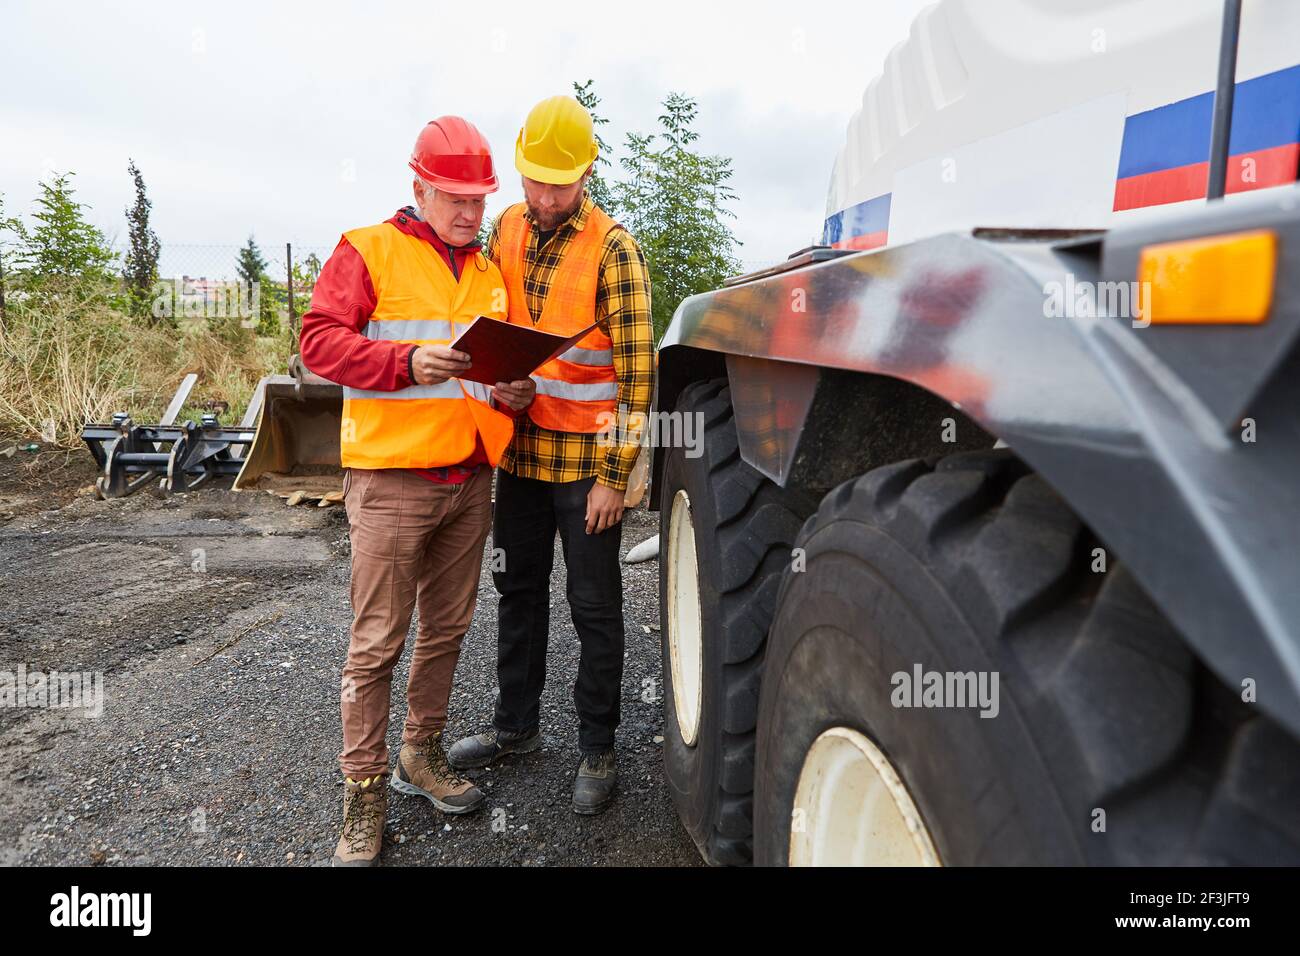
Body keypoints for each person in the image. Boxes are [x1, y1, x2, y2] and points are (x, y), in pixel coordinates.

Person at [299, 116, 536, 866]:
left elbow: (485, 375)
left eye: (480, 199)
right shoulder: (367, 249)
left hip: (468, 480)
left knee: (445, 631)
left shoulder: (488, 271)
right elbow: (317, 342)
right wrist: (404, 362)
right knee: (375, 646)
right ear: (419, 188)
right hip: (392, 481)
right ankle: (363, 795)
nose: (471, 212)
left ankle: (419, 754)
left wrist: (514, 392)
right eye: (455, 197)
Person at [448, 96, 654, 815]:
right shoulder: (504, 226)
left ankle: (598, 745)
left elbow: (638, 378)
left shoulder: (615, 250)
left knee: (595, 607)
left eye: (559, 185)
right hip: (521, 457)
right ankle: (516, 729)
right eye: (533, 180)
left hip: (585, 469)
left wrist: (615, 480)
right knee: (517, 594)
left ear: (587, 172)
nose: (543, 197)